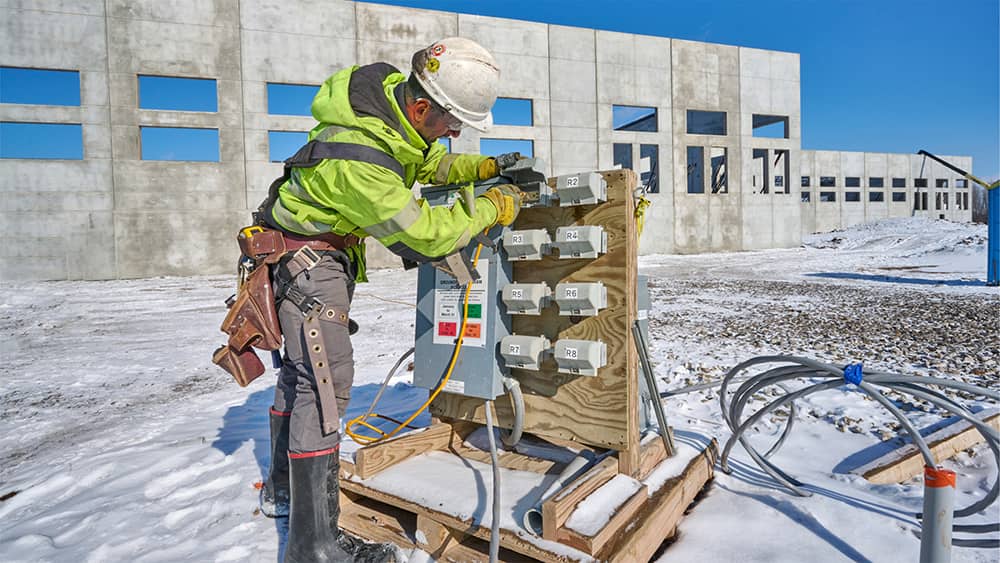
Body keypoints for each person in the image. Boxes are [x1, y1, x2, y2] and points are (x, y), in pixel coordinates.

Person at [256, 37, 525, 562]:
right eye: (452, 122)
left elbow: (425, 165)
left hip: (298, 258)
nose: (456, 133)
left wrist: (485, 170)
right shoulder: (362, 162)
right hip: (311, 267)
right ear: (421, 106)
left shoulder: (386, 114)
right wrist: (493, 208)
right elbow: (426, 234)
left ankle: (281, 492)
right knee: (323, 387)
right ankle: (313, 549)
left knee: (300, 377)